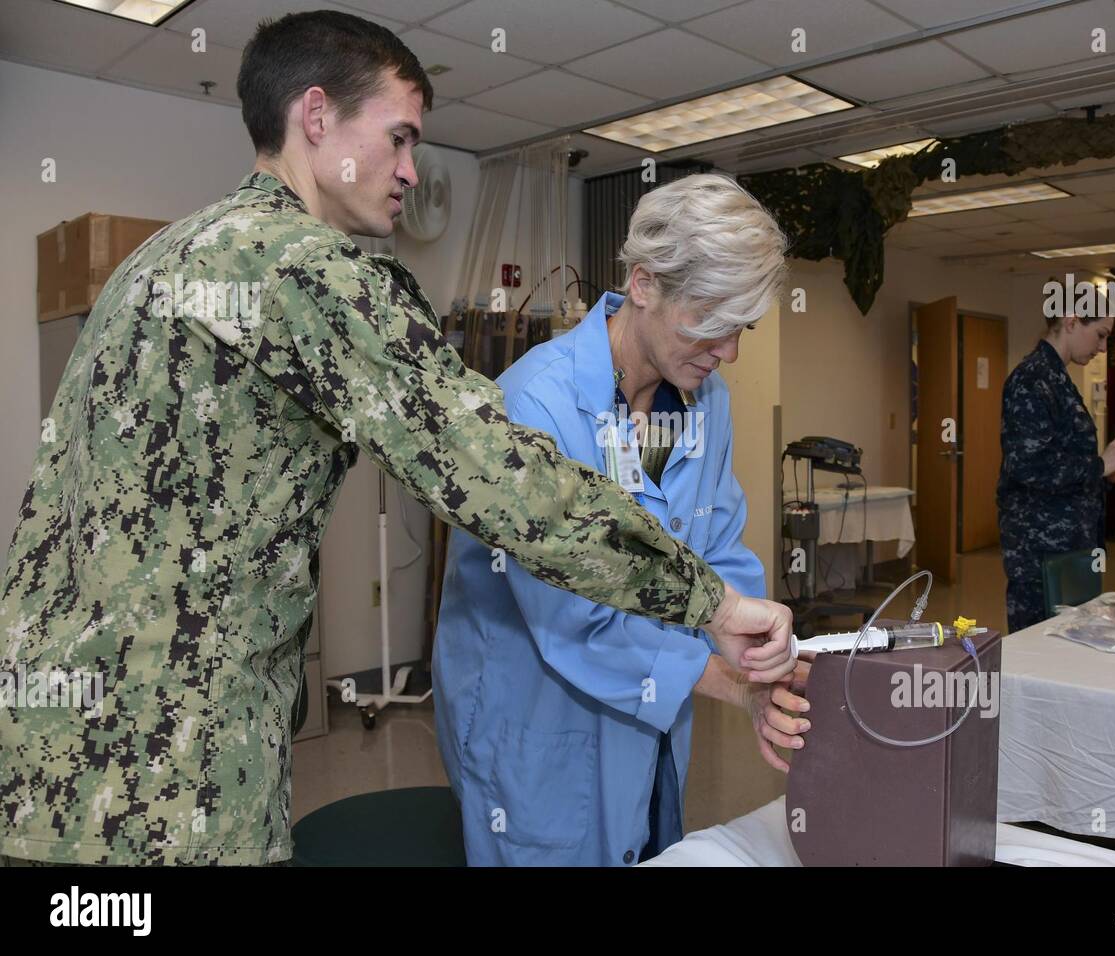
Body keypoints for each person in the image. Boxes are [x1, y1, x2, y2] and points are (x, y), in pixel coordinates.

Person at [0, 11, 793, 867]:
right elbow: (509, 485)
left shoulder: (161, 257)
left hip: (54, 749)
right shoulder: (307, 271)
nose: (414, 172)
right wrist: (710, 606)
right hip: (165, 769)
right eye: (401, 138)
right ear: (316, 117)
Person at [433, 174, 810, 866]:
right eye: (713, 322)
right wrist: (729, 683)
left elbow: (716, 542)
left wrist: (756, 649)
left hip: (653, 716)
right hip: (538, 723)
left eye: (741, 328)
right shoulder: (533, 406)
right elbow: (572, 614)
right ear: (643, 283)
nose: (728, 352)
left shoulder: (703, 398)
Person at [998, 310, 1115, 634]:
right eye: (1101, 335)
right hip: (1040, 550)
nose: (1103, 348)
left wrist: (1110, 474)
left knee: (1072, 645)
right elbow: (1027, 466)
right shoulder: (1032, 380)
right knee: (1038, 649)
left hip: (1070, 543)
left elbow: (1062, 464)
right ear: (1071, 321)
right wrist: (1100, 464)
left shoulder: (1057, 379)